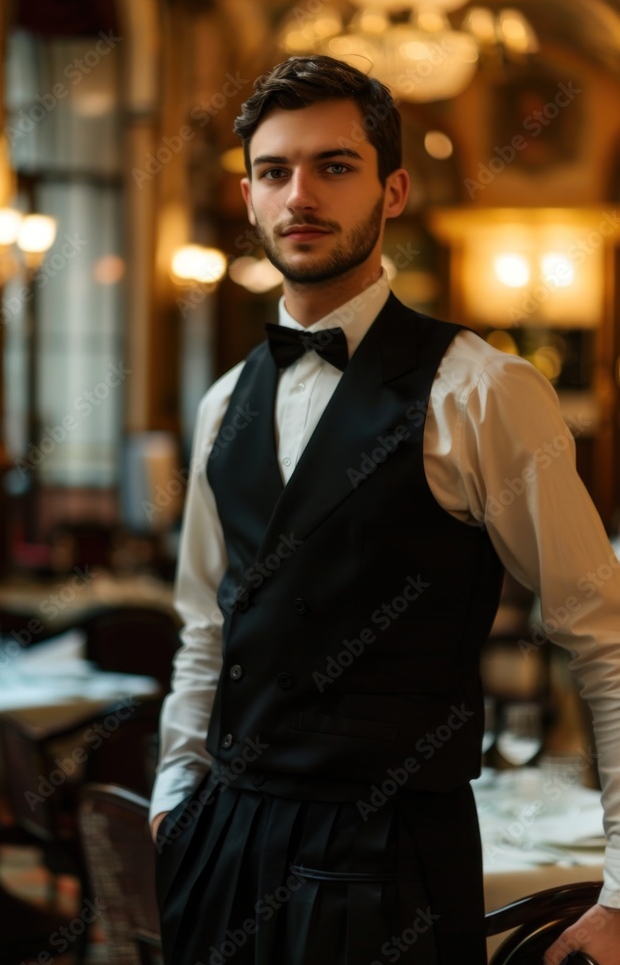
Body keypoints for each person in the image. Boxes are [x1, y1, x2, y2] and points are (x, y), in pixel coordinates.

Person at [150, 55, 620, 965]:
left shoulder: (483, 393)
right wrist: (176, 801)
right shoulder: (220, 404)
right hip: (218, 853)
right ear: (248, 198)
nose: (299, 196)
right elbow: (204, 627)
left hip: (388, 864)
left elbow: (604, 639)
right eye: (273, 171)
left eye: (334, 166)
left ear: (392, 189)